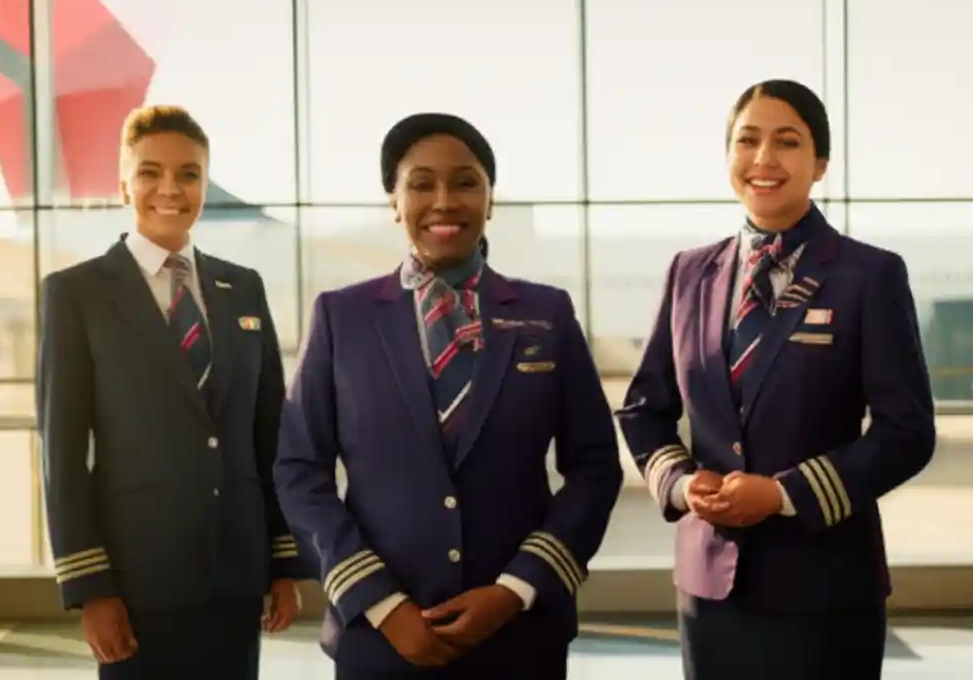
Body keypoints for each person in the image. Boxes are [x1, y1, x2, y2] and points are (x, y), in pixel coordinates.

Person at [274, 112, 622, 679]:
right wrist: (380, 602)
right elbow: (299, 471)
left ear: (490, 200)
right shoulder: (342, 318)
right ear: (394, 200)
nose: (444, 200)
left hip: (520, 634)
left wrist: (517, 587)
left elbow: (594, 467)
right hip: (380, 637)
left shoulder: (546, 314)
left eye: (465, 182)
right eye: (420, 183)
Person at [615, 80, 936, 679]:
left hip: (827, 586)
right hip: (711, 591)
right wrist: (683, 485)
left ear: (819, 164)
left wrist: (786, 493)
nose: (764, 159)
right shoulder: (690, 274)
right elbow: (642, 410)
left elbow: (907, 433)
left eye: (786, 142)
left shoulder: (870, 275)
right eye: (747, 140)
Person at [36, 104, 305, 679]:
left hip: (235, 577)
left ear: (205, 183)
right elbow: (62, 456)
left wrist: (283, 562)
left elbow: (269, 437)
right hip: (137, 584)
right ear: (123, 184)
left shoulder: (242, 288)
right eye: (150, 172)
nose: (170, 189)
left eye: (189, 174)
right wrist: (90, 588)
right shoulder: (78, 294)